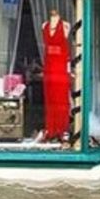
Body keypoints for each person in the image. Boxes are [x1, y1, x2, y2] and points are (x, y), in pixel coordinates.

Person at [42, 9, 71, 141]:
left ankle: (62, 129)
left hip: (60, 68)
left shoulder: (65, 26)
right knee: (50, 99)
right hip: (49, 67)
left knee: (61, 99)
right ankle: (51, 128)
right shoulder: (44, 25)